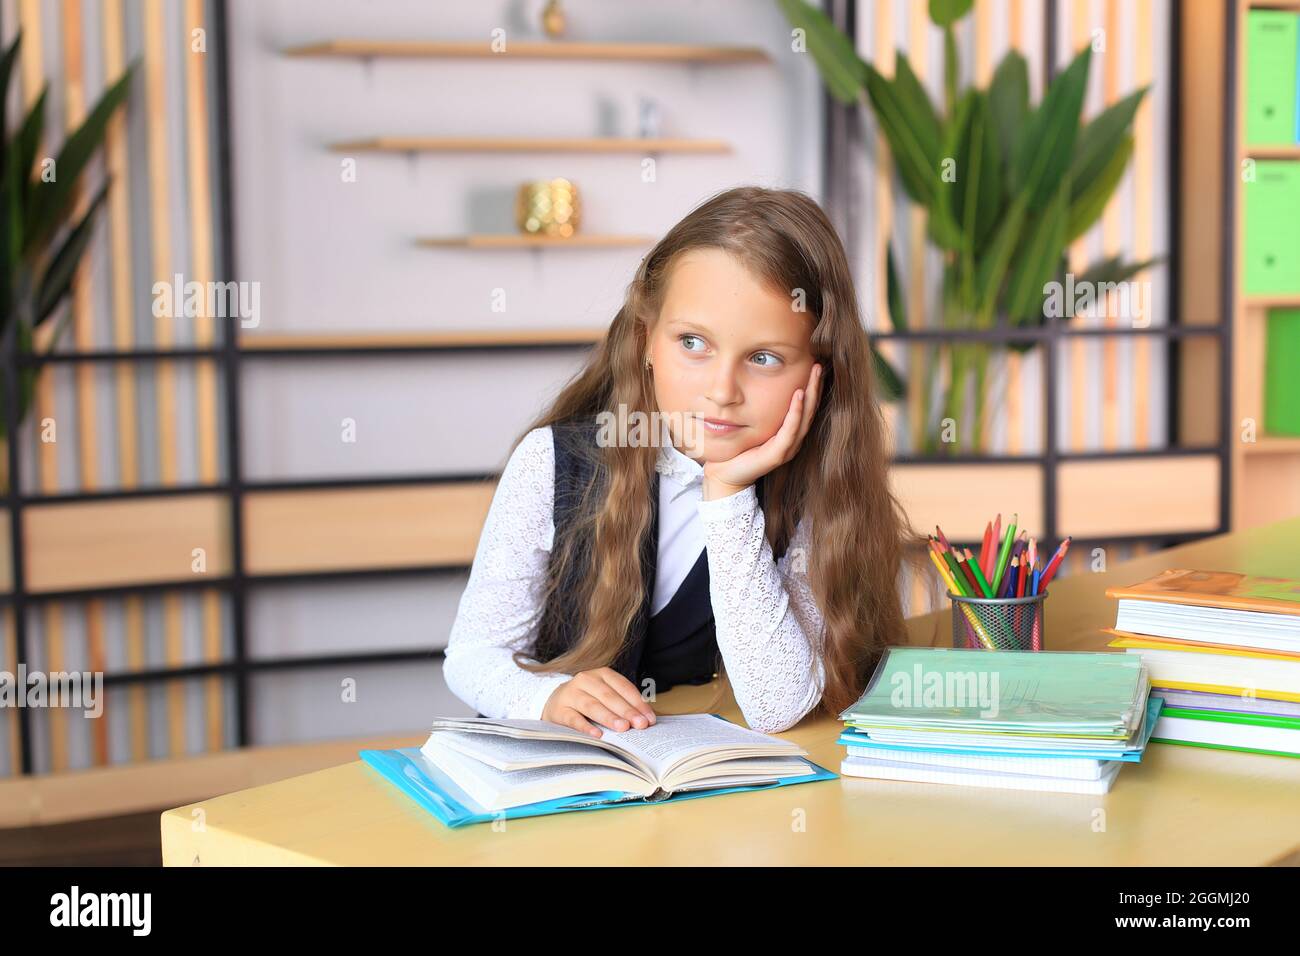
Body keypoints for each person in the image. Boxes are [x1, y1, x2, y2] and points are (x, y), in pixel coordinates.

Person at [443, 185, 920, 737]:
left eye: (764, 358)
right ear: (646, 340)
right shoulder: (554, 463)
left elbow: (777, 705)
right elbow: (472, 657)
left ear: (820, 370)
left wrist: (728, 493)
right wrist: (546, 696)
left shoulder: (817, 492)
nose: (721, 391)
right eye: (693, 343)